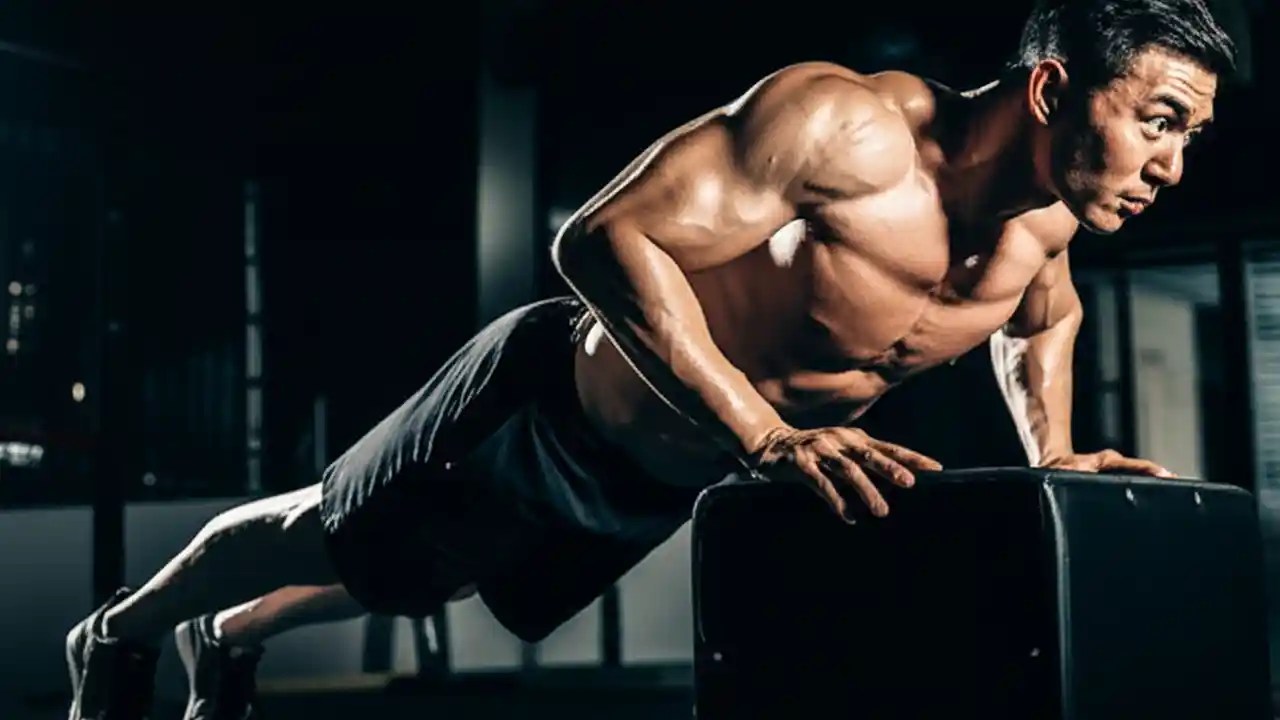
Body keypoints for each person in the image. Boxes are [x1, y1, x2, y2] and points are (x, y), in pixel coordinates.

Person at [66, 0, 1235, 717]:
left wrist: (1057, 453)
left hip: (659, 477)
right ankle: (116, 633)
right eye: (1159, 120)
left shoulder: (1047, 226)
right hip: (547, 407)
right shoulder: (843, 129)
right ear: (1048, 87)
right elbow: (600, 238)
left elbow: (1041, 321)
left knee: (434, 578)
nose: (1170, 166)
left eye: (1189, 137)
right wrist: (765, 436)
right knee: (323, 527)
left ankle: (221, 641)